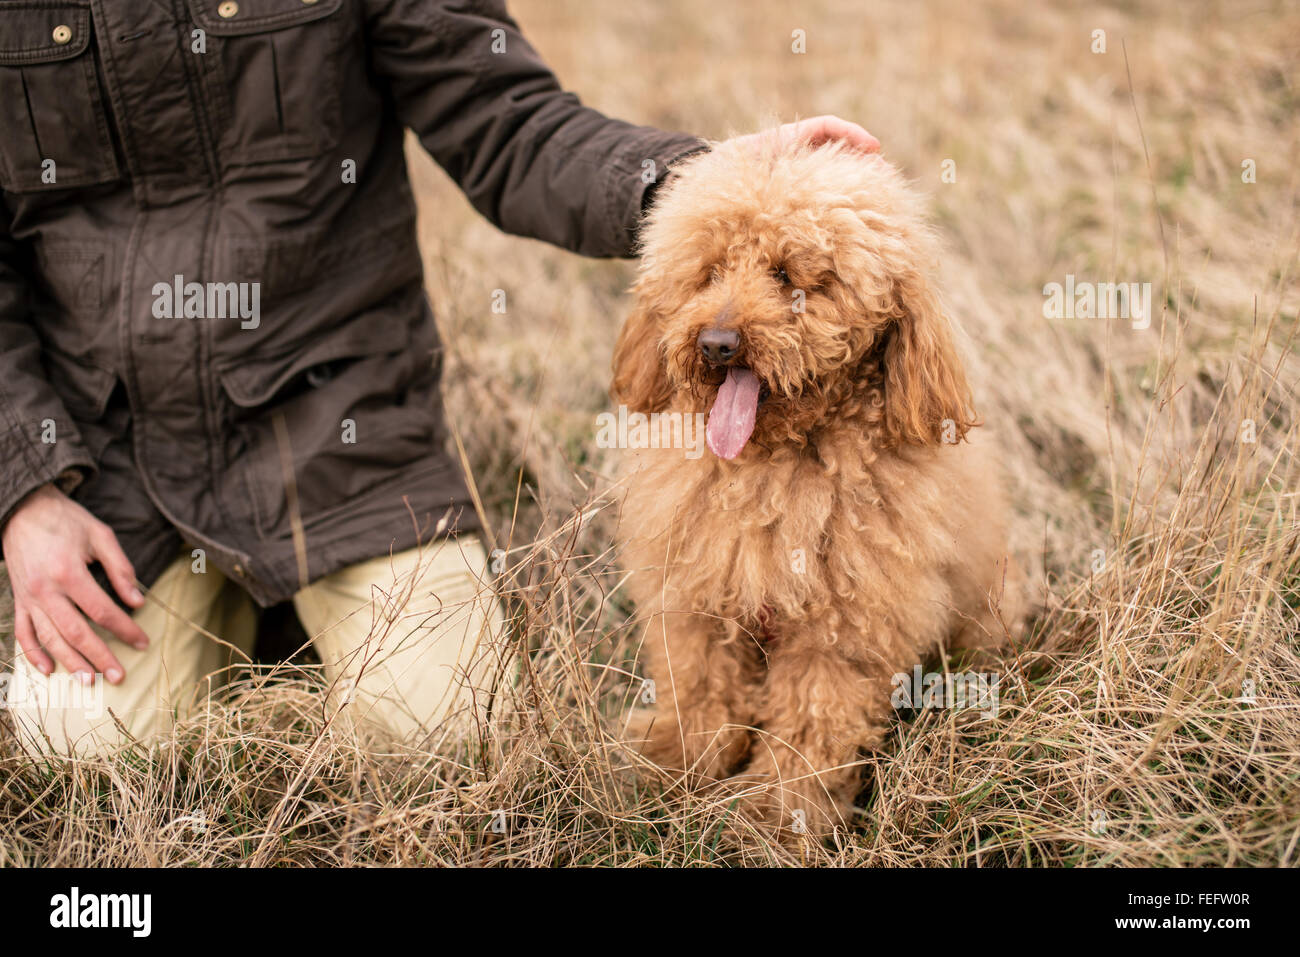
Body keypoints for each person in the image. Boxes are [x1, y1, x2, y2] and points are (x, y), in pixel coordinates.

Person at [0, 0, 878, 756]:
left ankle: (295, 620)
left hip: (343, 433)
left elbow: (510, 123)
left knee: (444, 737)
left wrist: (702, 178)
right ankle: (254, 626)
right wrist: (26, 494)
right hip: (109, 460)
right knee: (79, 756)